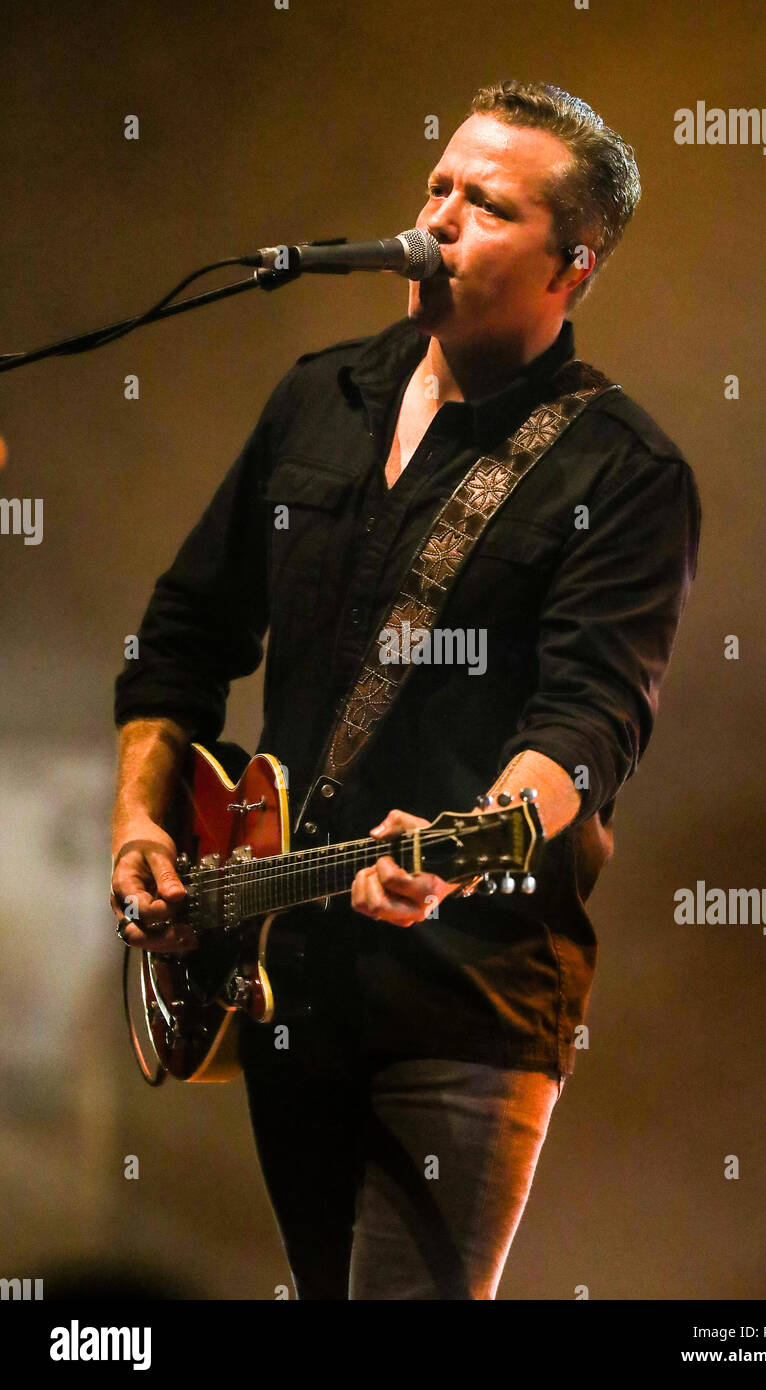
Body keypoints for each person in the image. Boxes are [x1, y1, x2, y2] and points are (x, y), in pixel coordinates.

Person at [110, 79, 700, 1300]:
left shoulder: (623, 471)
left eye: (483, 207)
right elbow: (180, 635)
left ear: (570, 268)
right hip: (285, 973)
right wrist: (139, 825)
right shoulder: (319, 396)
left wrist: (474, 837)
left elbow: (591, 722)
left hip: (466, 1001)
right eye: (438, 185)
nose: (433, 220)